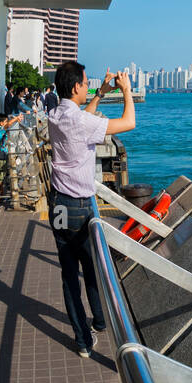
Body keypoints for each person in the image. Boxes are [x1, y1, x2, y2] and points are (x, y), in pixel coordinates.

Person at [48, 62, 136, 358]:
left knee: (69, 274)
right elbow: (128, 123)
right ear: (75, 87)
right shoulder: (81, 122)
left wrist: (100, 93)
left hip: (58, 204)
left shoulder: (54, 114)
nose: (87, 87)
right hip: (80, 206)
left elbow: (81, 118)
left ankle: (83, 341)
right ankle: (100, 320)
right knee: (93, 267)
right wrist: (126, 91)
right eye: (86, 84)